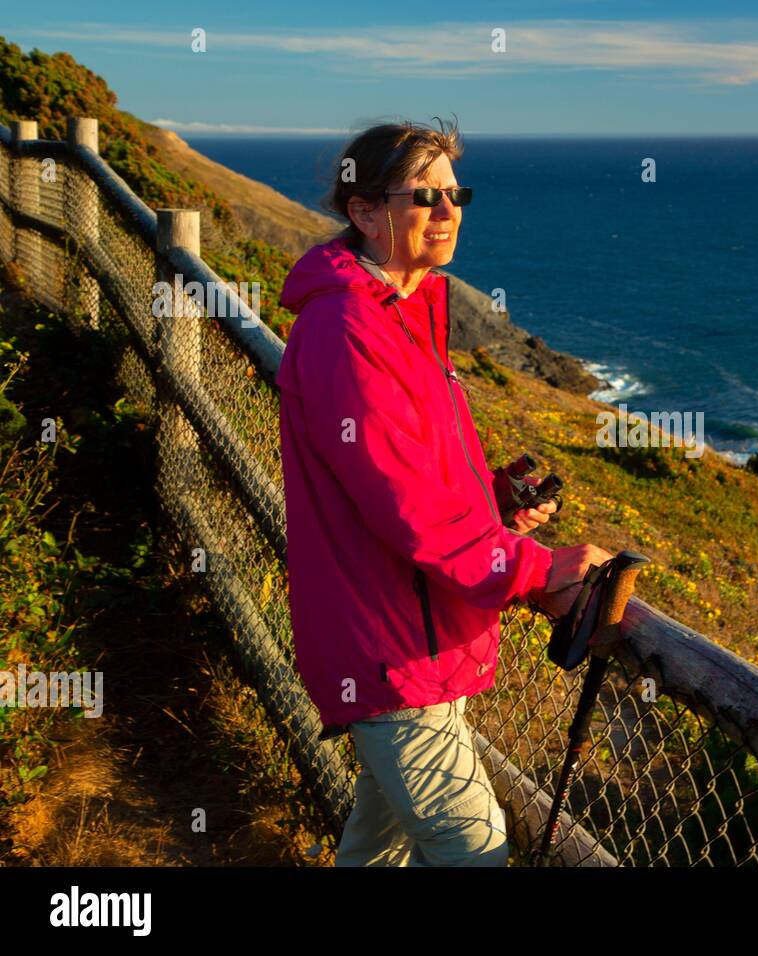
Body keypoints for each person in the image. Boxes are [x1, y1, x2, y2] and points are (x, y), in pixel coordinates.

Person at [276, 117, 612, 866]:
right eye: (422, 196)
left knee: (379, 847)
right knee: (474, 847)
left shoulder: (401, 314)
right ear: (365, 212)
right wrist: (535, 569)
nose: (447, 210)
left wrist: (494, 506)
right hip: (390, 647)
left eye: (455, 192)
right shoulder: (348, 330)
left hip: (411, 633)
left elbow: (408, 475)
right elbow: (406, 507)